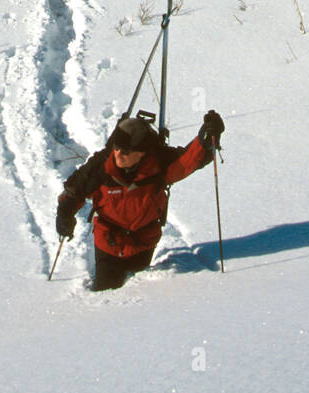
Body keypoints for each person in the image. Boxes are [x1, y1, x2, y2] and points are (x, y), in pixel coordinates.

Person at [55, 110, 224, 291]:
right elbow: (74, 191)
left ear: (142, 153)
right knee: (107, 291)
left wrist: (208, 139)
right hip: (108, 242)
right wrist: (65, 214)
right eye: (117, 147)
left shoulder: (159, 163)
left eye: (126, 151)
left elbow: (189, 160)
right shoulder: (101, 166)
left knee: (140, 291)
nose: (119, 153)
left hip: (144, 241)